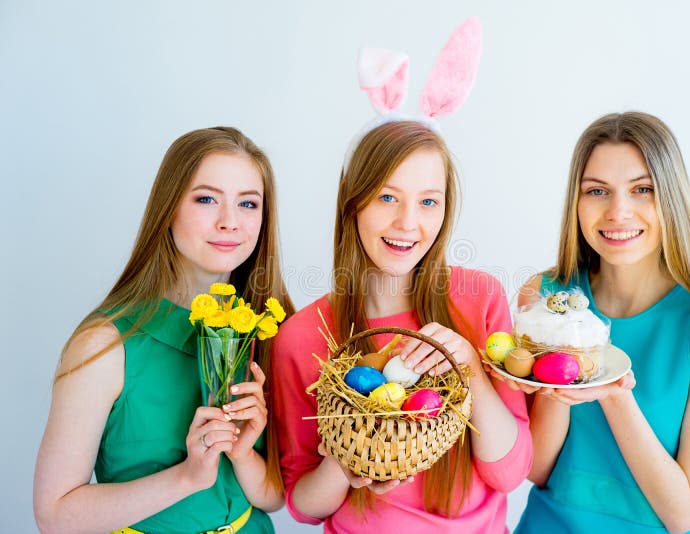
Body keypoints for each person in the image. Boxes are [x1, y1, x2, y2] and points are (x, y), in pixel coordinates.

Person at [271, 120, 532, 533]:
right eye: (387, 197)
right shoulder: (303, 336)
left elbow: (509, 474)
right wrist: (346, 455)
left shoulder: (480, 298)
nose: (408, 223)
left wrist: (470, 368)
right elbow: (303, 505)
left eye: (428, 202)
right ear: (353, 203)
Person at [33, 126, 294, 533]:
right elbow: (55, 516)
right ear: (168, 207)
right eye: (207, 199)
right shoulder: (104, 345)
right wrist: (187, 477)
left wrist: (243, 454)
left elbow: (277, 497)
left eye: (248, 203)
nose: (230, 222)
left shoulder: (268, 332)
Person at [506, 112, 690, 533]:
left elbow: (683, 512)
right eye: (597, 191)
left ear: (671, 197)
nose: (618, 212)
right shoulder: (543, 295)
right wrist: (559, 375)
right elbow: (537, 470)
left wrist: (615, 394)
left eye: (642, 190)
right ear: (576, 202)